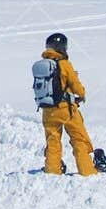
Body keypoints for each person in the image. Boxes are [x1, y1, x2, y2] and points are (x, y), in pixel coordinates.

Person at [39, 32, 97, 176]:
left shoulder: (43, 66)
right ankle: (87, 171)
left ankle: (52, 171)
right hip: (66, 109)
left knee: (53, 142)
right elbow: (74, 84)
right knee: (78, 138)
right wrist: (82, 94)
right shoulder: (64, 64)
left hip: (47, 110)